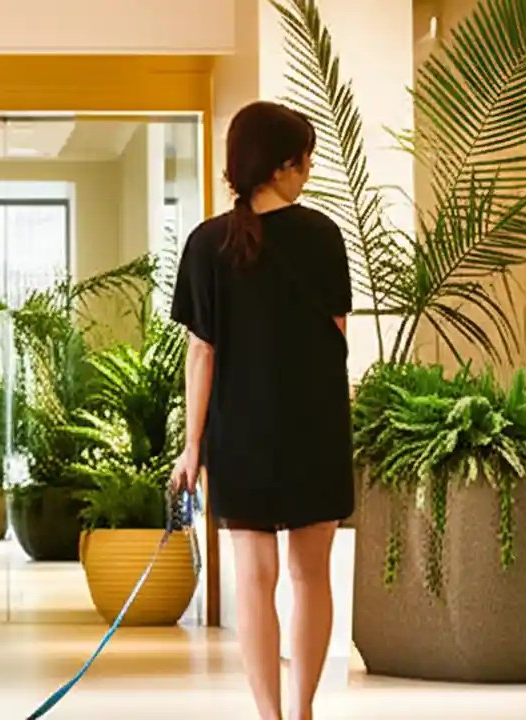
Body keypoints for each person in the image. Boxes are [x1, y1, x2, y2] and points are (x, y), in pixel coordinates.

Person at [169, 100, 353, 720]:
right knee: (311, 575)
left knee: (254, 576)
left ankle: (269, 717)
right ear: (280, 165)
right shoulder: (323, 235)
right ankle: (302, 712)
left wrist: (193, 447)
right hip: (316, 426)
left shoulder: (206, 243)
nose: (306, 171)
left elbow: (202, 354)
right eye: (303, 160)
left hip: (241, 429)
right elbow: (337, 336)